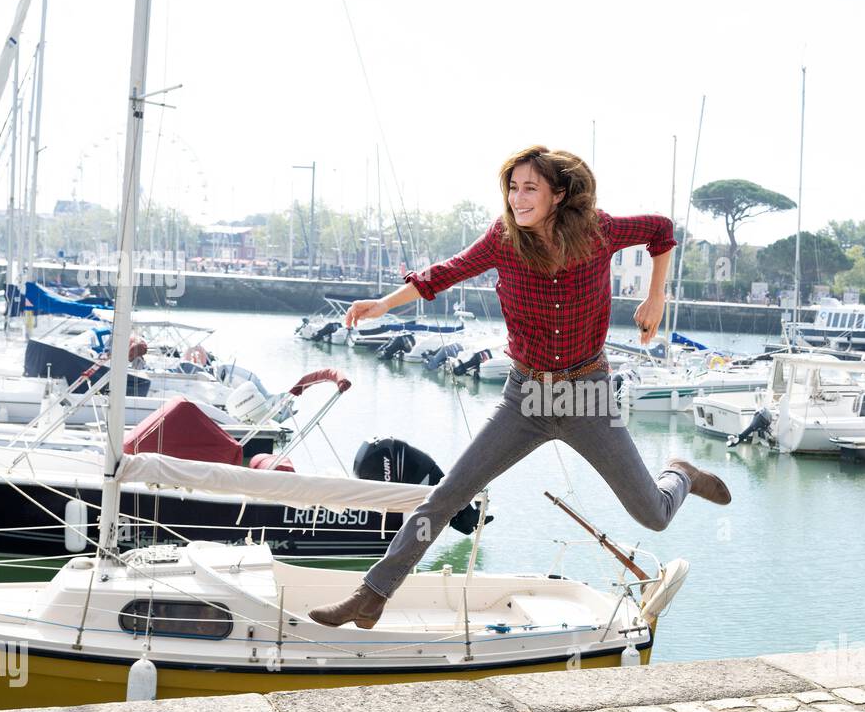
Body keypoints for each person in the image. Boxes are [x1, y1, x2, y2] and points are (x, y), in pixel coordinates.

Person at [310, 145, 731, 630]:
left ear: (558, 194)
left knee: (654, 516)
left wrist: (656, 295)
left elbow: (661, 230)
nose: (518, 197)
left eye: (530, 187)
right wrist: (384, 303)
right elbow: (442, 274)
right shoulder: (502, 239)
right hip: (524, 398)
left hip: (587, 395)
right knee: (446, 498)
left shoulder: (600, 232)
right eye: (513, 187)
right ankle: (371, 595)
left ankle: (681, 472)